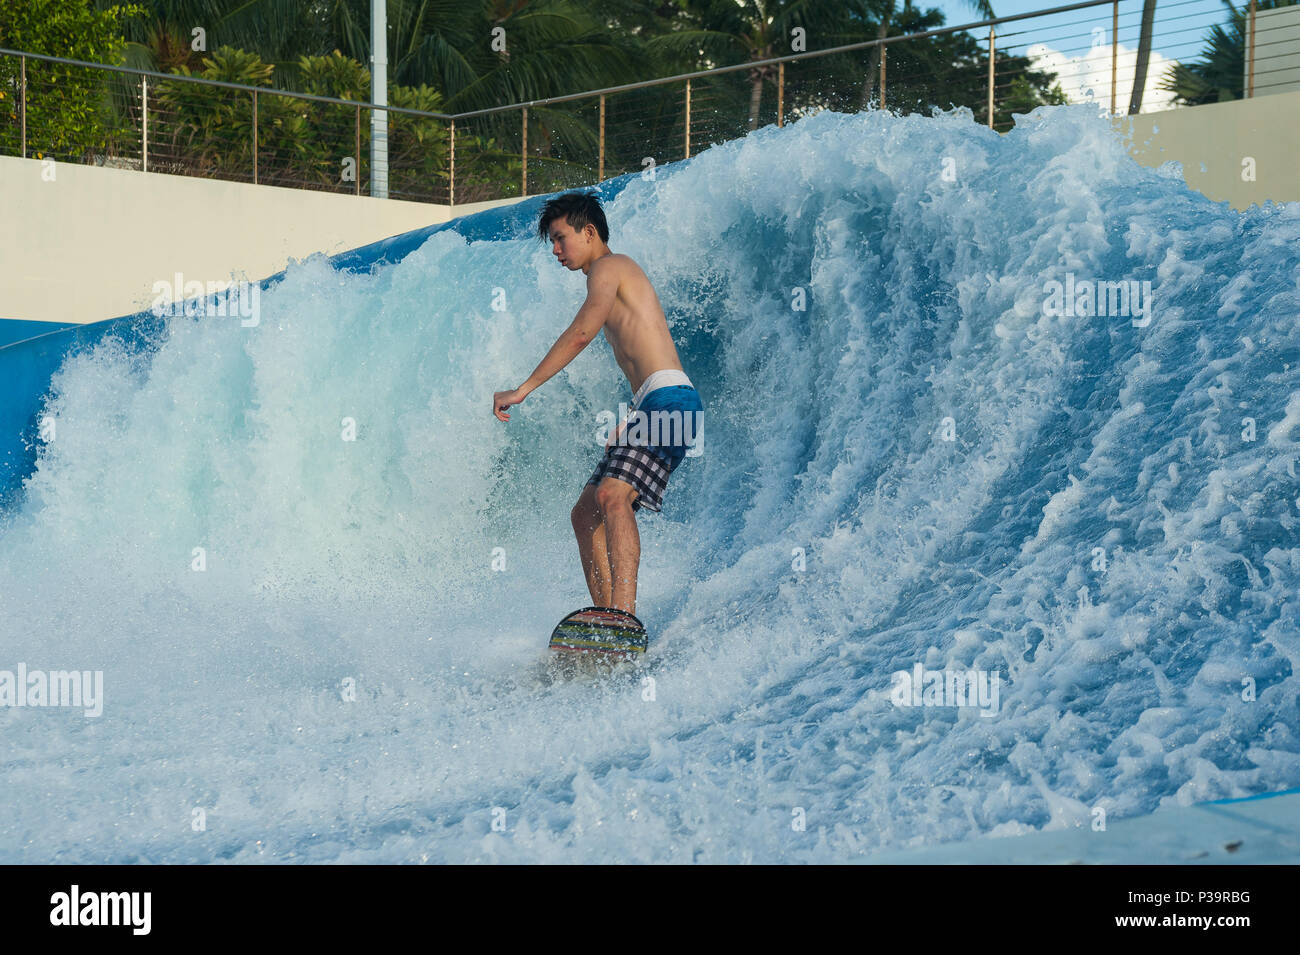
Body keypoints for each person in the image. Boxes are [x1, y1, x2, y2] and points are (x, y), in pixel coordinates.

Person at [493, 191, 702, 618]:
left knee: (612, 496)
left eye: (559, 238)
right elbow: (642, 355)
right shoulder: (613, 274)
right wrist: (631, 419)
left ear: (589, 232)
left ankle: (622, 616)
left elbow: (581, 333)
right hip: (653, 405)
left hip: (672, 403)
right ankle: (606, 617)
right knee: (584, 514)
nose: (555, 251)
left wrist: (524, 388)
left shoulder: (609, 267)